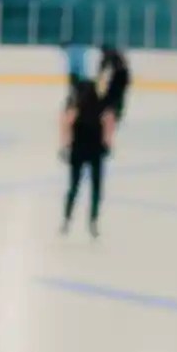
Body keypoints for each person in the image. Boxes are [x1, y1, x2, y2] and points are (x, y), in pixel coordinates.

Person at [60, 79, 116, 238]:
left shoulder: (76, 104)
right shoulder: (101, 104)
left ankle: (67, 219)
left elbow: (67, 123)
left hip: (79, 148)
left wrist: (65, 145)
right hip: (95, 149)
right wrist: (107, 143)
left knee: (74, 186)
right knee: (96, 188)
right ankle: (93, 221)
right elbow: (109, 122)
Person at [97, 44, 131, 123]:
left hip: (119, 78)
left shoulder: (109, 55)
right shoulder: (116, 55)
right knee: (116, 97)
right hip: (121, 78)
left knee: (113, 96)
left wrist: (100, 77)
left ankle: (112, 113)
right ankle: (115, 113)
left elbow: (102, 67)